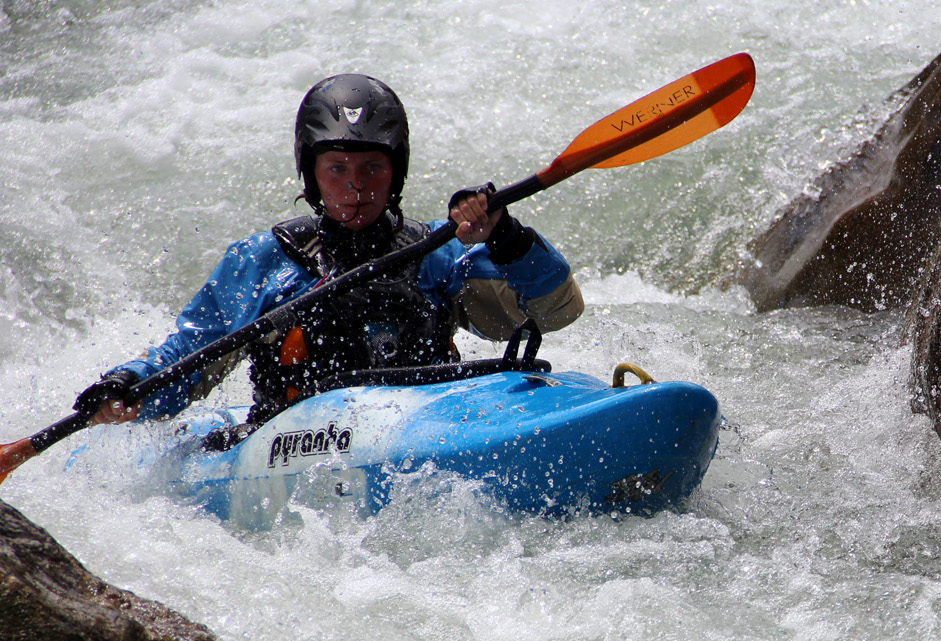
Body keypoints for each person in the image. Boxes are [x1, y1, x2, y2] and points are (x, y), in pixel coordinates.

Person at [74, 73, 584, 428]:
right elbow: (189, 353)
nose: (355, 186)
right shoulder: (264, 260)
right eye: (337, 169)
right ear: (312, 175)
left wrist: (505, 235)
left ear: (396, 172)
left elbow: (553, 309)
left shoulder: (437, 251)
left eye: (372, 169)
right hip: (296, 442)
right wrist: (129, 385)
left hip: (428, 421)